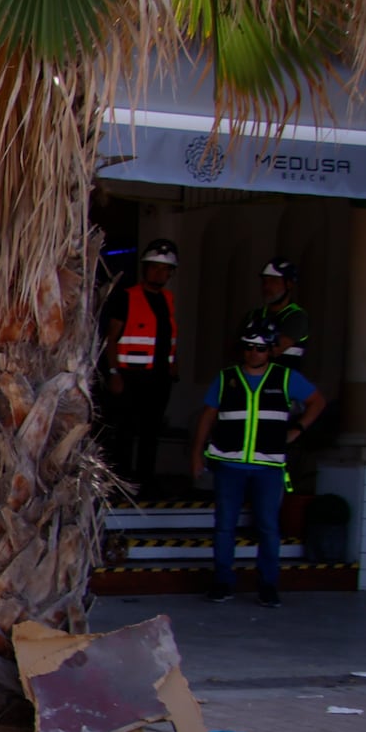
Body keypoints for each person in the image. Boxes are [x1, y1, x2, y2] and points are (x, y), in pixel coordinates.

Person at [190, 324, 326, 608]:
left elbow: (317, 402)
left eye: (260, 348)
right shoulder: (227, 377)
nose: (253, 353)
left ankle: (268, 584)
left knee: (268, 527)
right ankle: (223, 581)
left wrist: (298, 429)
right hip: (229, 464)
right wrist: (196, 453)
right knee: (225, 526)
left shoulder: (286, 377)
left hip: (268, 466)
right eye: (248, 347)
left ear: (272, 350)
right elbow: (208, 415)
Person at [101, 239, 182, 493]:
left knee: (151, 431)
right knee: (125, 431)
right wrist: (114, 373)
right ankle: (122, 480)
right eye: (154, 267)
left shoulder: (168, 299)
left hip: (158, 379)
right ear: (145, 268)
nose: (159, 273)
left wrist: (172, 363)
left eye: (165, 269)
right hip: (130, 377)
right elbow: (110, 338)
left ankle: (146, 481)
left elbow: (166, 336)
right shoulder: (126, 297)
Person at [247, 259, 311, 373]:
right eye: (264, 281)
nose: (267, 286)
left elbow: (275, 349)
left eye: (274, 281)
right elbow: (235, 351)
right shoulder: (254, 315)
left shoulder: (296, 316)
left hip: (285, 384)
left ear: (289, 284)